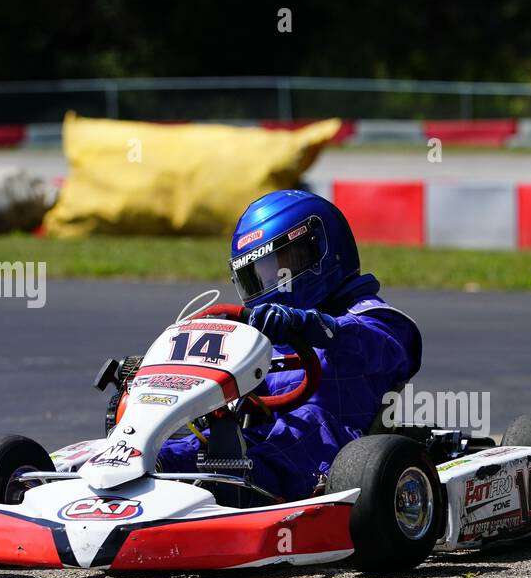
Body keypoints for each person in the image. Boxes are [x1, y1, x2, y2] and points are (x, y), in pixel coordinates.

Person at [157, 189, 422, 501]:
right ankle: (151, 469)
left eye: (279, 267)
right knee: (202, 440)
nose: (269, 284)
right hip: (261, 438)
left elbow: (376, 345)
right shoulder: (266, 330)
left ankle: (236, 490)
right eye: (257, 276)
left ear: (320, 251)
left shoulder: (375, 317)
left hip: (334, 452)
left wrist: (310, 325)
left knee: (306, 423)